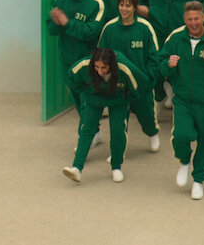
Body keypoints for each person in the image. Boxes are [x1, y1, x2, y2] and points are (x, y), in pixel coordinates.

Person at [162, 1, 204, 200]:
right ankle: (184, 160)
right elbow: (160, 65)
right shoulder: (175, 38)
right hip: (183, 99)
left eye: (197, 19)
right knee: (181, 134)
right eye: (189, 19)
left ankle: (198, 180)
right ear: (184, 19)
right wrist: (169, 65)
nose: (193, 23)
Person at [62, 48, 146, 183]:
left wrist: (126, 97)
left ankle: (116, 167)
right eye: (96, 67)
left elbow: (141, 83)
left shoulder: (124, 68)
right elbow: (72, 77)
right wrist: (87, 91)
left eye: (104, 68)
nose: (99, 71)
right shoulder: (84, 65)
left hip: (118, 100)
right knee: (87, 129)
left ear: (111, 65)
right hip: (94, 98)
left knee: (118, 130)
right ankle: (77, 168)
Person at [97, 0, 161, 152]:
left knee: (147, 116)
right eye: (121, 5)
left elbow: (154, 57)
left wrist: (148, 79)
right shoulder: (109, 28)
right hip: (118, 86)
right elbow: (100, 56)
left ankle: (152, 133)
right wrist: (105, 81)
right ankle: (118, 152)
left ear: (135, 8)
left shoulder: (145, 28)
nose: (124, 9)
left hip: (141, 85)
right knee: (118, 123)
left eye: (128, 6)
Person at [47, 0, 106, 131]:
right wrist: (56, 22)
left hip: (88, 61)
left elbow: (91, 32)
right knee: (77, 98)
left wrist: (67, 23)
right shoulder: (61, 0)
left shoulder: (96, 3)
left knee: (87, 97)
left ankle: (88, 132)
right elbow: (51, 29)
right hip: (66, 59)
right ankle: (94, 130)